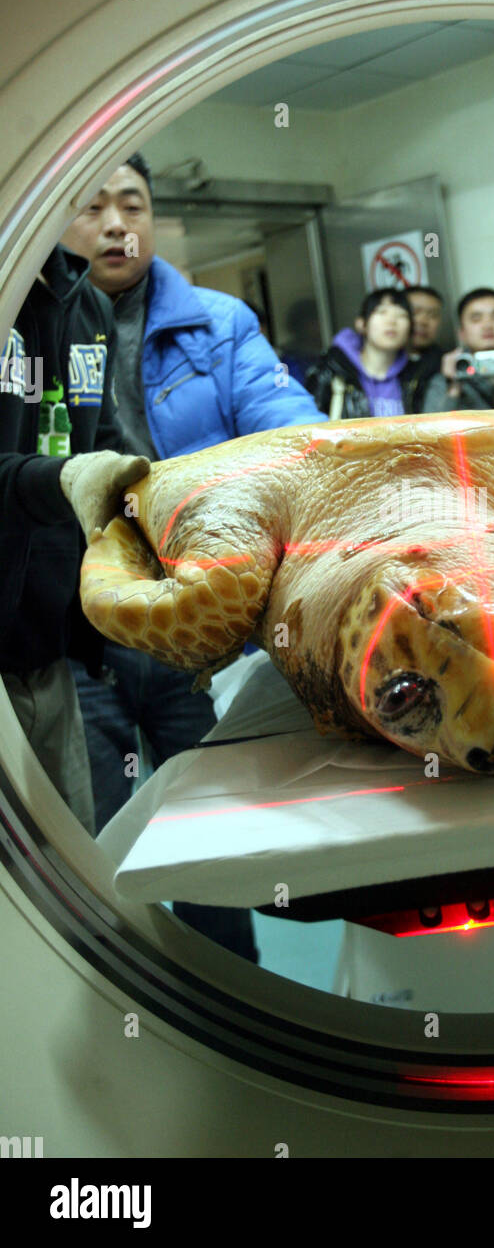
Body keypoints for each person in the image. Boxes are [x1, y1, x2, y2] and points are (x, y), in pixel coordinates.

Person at [59, 152, 326, 963]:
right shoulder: (29, 332)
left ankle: (231, 1012)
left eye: (132, 204)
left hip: (193, 628)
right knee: (96, 847)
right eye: (94, 206)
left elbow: (294, 437)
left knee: (215, 846)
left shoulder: (219, 322)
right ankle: (116, 1006)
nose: (115, 223)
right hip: (79, 638)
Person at [0, 244, 150, 835]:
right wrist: (59, 478)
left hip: (50, 648)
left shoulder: (87, 304)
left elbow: (105, 438)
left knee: (70, 852)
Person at [304, 288, 428, 418]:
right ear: (362, 324)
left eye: (401, 315)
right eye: (382, 312)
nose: (392, 321)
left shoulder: (418, 376)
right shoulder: (332, 370)